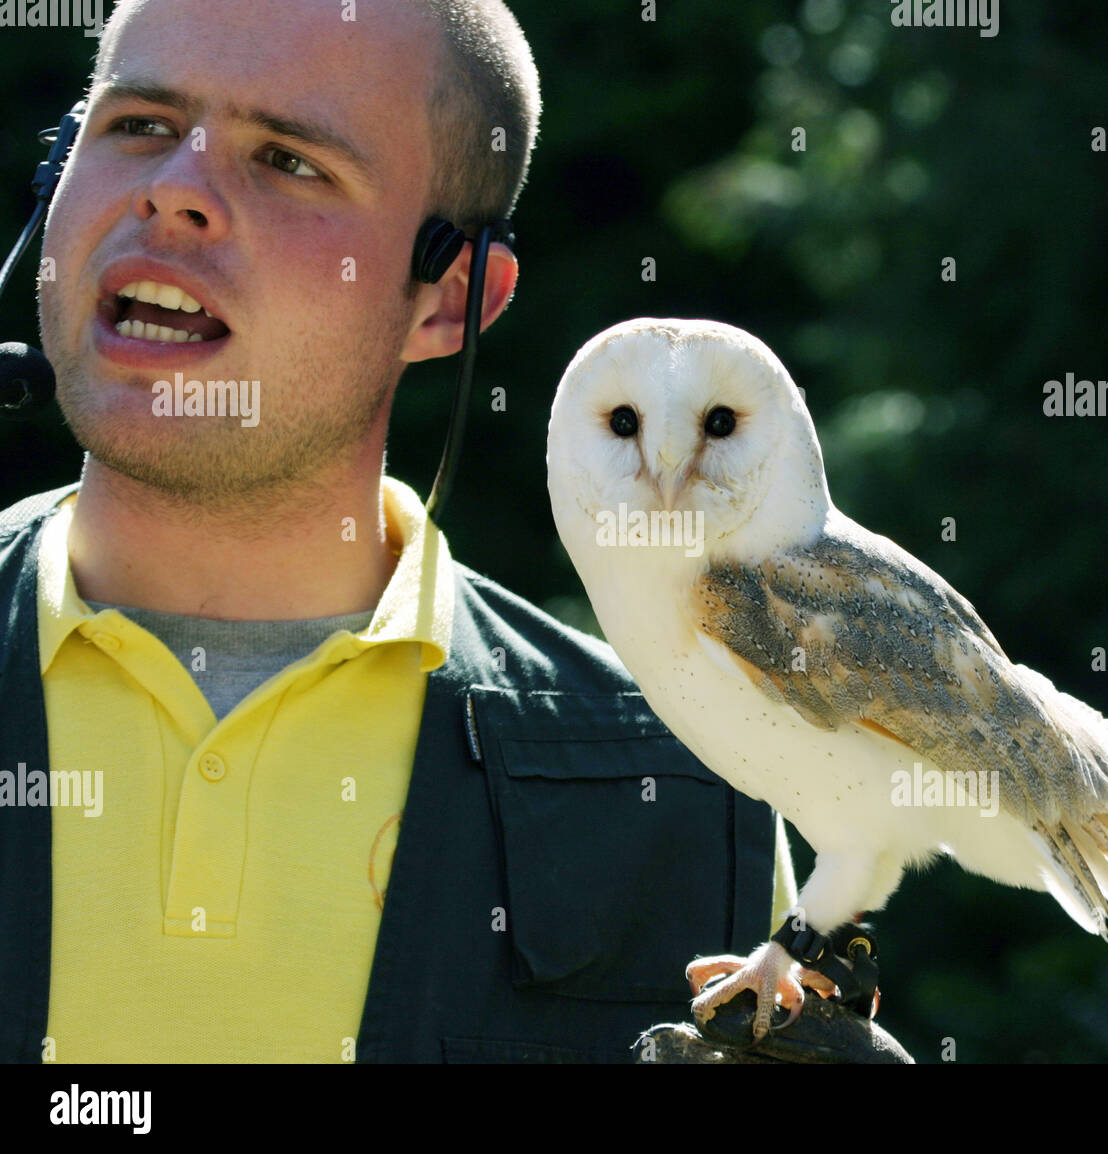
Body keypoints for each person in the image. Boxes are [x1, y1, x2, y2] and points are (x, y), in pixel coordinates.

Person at [0, 0, 795, 1063]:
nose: (173, 190)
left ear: (450, 296)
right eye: (139, 124)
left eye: (287, 160)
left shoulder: (686, 802)